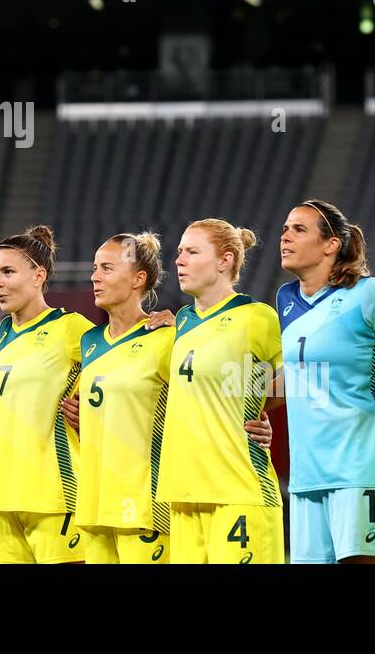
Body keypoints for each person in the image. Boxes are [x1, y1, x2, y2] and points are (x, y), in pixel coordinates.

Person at [277, 199, 375, 563]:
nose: (285, 236)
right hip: (304, 477)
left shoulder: (370, 295)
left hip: (358, 468)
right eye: (285, 228)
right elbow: (294, 378)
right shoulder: (285, 299)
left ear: (331, 244)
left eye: (299, 229)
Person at [159, 219, 286, 563]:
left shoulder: (257, 317)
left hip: (238, 489)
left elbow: (294, 383)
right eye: (180, 251)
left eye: (192, 251)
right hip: (184, 493)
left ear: (224, 261)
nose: (179, 260)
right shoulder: (182, 320)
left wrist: (258, 410)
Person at [0, 225, 94, 564]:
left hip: (55, 497)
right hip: (3, 501)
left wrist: (160, 322)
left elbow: (127, 366)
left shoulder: (70, 328)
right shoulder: (4, 333)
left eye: (7, 272)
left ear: (38, 276)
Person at [74, 232, 174, 564]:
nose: (94, 276)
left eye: (106, 268)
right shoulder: (88, 342)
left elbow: (203, 398)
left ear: (137, 279)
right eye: (94, 268)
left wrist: (256, 419)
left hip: (144, 503)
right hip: (94, 501)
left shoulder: (165, 338)